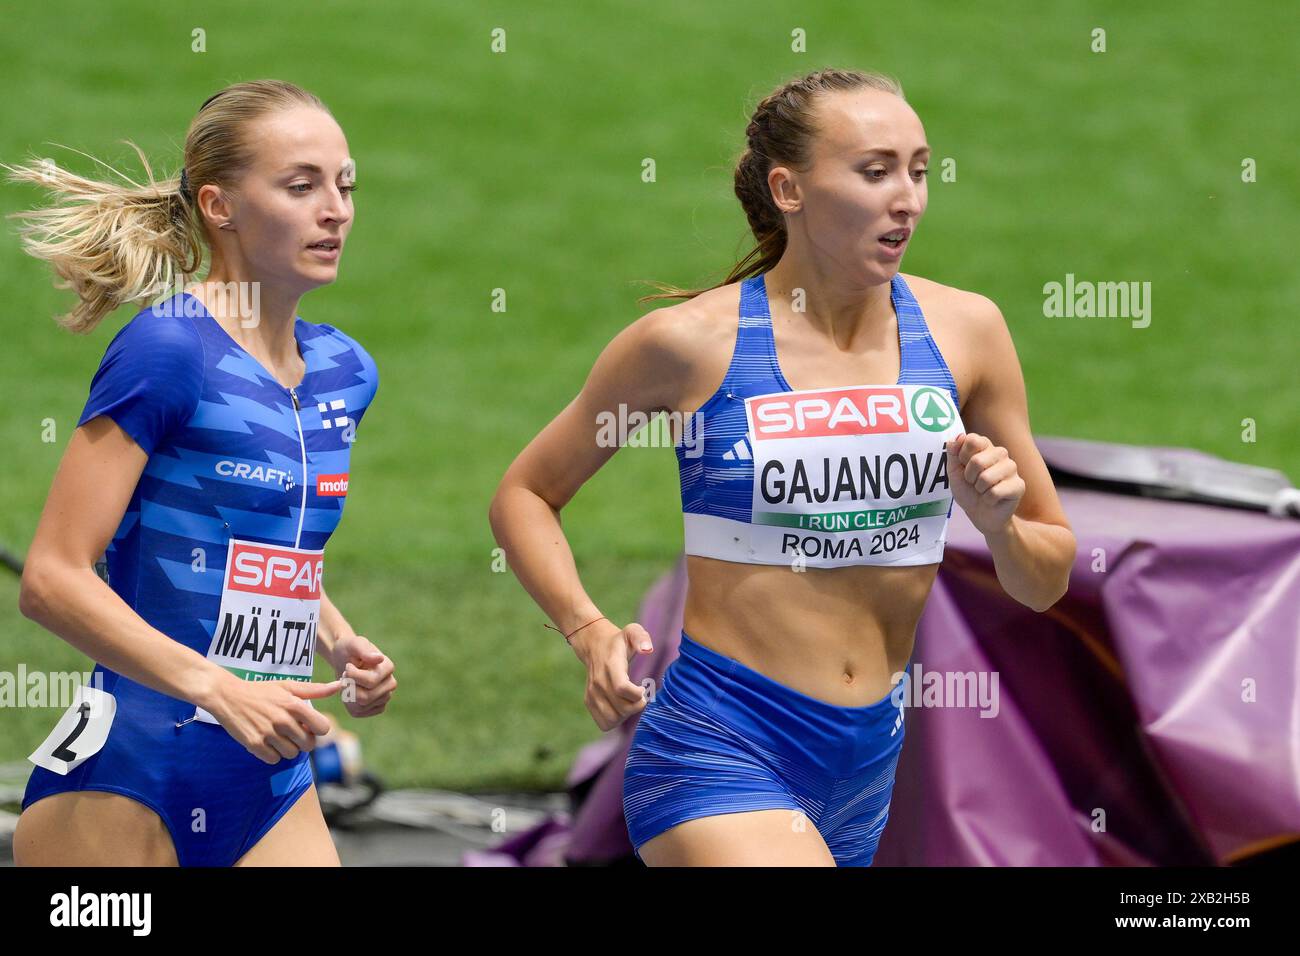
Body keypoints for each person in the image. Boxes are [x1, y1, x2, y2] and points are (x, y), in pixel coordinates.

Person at [489, 68, 1076, 866]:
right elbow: (527, 492)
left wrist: (1003, 527)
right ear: (788, 189)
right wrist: (588, 630)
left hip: (866, 764)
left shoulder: (969, 333)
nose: (907, 197)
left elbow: (1044, 580)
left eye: (919, 170)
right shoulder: (690, 345)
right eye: (874, 172)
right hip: (717, 745)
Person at [7, 79, 395, 867]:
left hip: (269, 780)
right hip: (131, 776)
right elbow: (51, 577)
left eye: (345, 184)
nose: (336, 209)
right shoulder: (168, 350)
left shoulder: (343, 371)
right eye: (301, 185)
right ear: (220, 206)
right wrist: (218, 687)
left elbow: (257, 545)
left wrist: (339, 640)